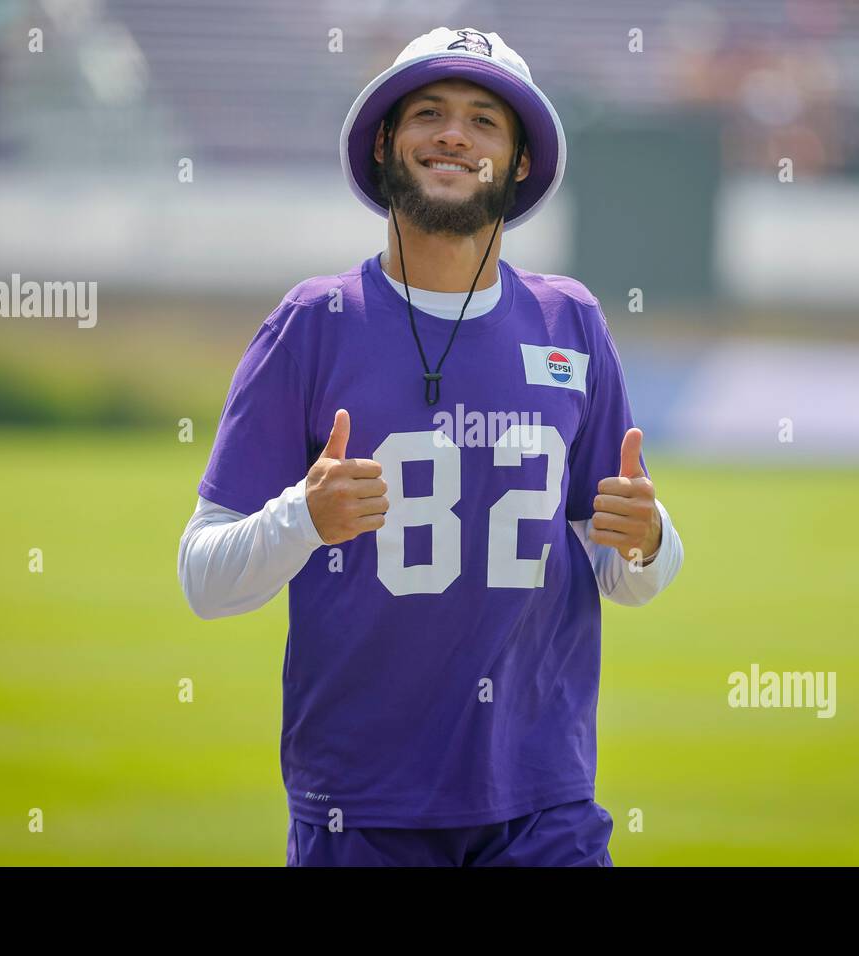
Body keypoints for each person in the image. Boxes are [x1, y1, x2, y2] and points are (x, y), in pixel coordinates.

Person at [178, 27, 684, 866]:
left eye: (486, 119)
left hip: (544, 799)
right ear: (386, 143)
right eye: (430, 113)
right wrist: (303, 518)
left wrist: (650, 538)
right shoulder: (313, 324)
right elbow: (204, 579)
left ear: (520, 160)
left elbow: (629, 572)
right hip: (363, 804)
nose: (454, 134)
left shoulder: (573, 326)